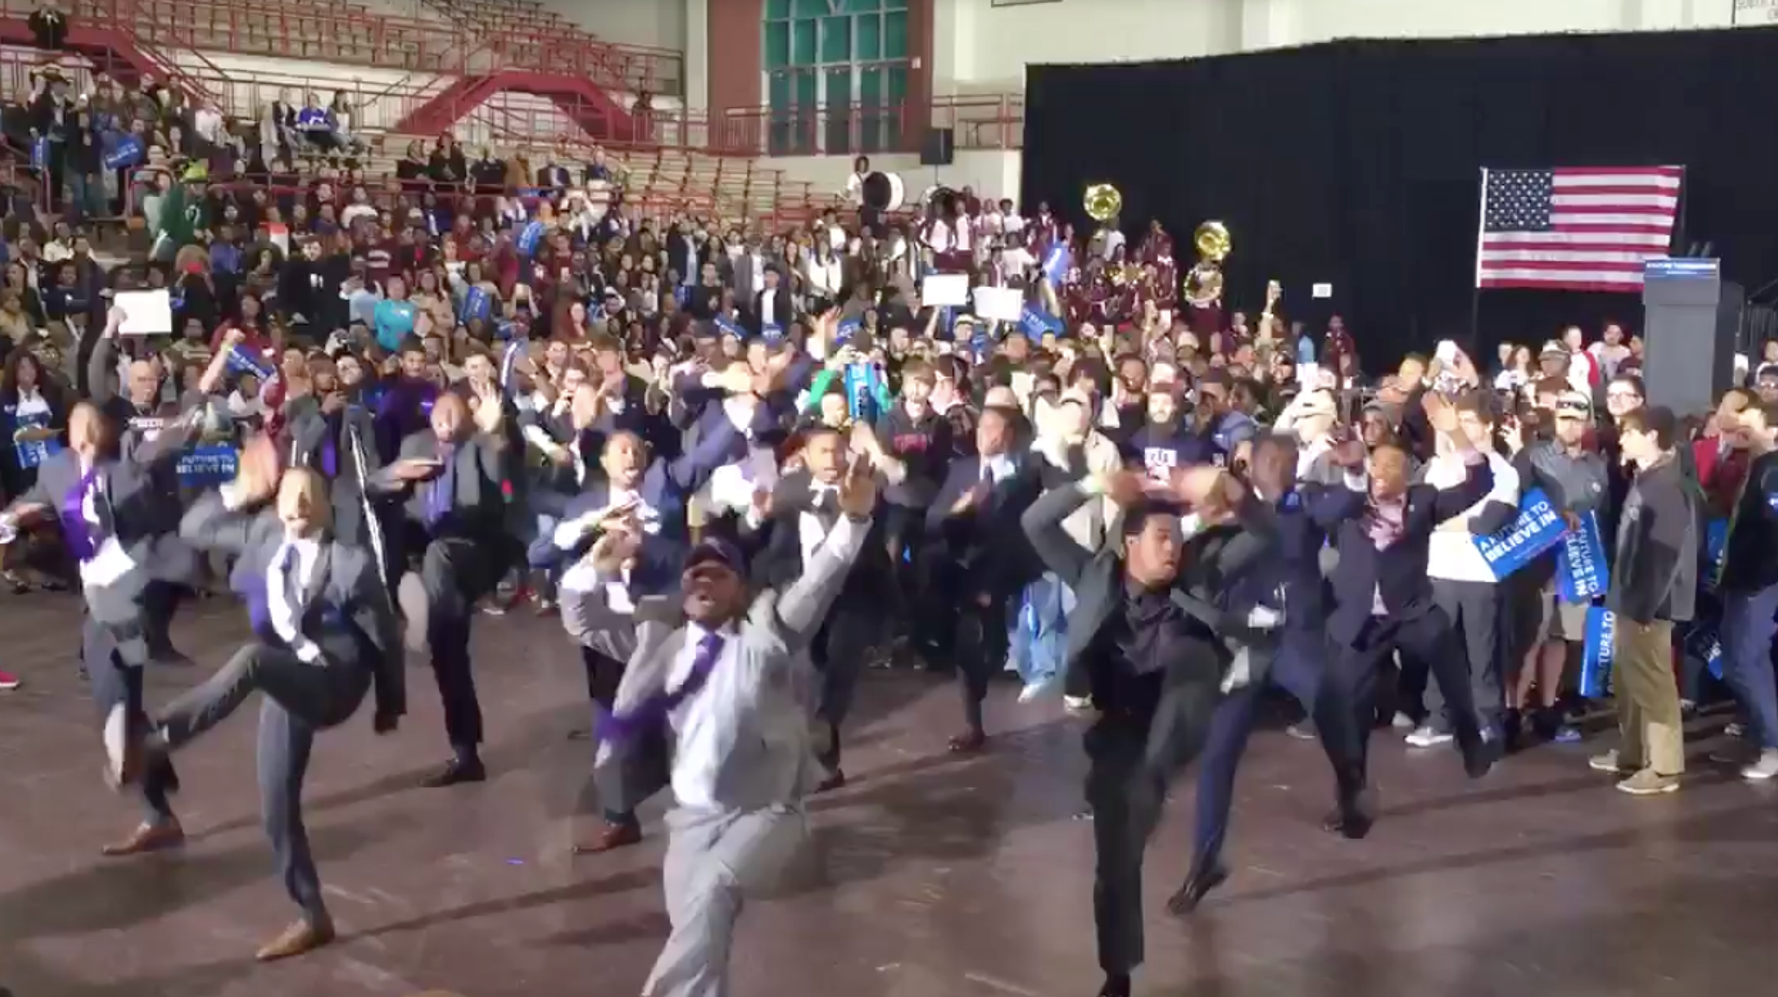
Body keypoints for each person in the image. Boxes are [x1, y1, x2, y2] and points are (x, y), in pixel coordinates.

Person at [592, 451, 879, 997]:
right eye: (694, 572)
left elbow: (820, 581)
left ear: (740, 591)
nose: (703, 579)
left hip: (765, 814)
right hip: (690, 821)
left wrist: (855, 520)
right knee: (699, 937)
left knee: (715, 890)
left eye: (718, 573)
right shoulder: (662, 642)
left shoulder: (767, 635)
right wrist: (595, 569)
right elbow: (583, 615)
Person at [127, 448, 403, 960]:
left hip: (336, 682)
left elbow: (383, 638)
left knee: (253, 658)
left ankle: (157, 741)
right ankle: (312, 915)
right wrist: (240, 491)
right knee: (276, 807)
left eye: (308, 496)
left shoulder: (350, 562)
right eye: (287, 495)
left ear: (324, 506)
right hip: (287, 674)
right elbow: (194, 527)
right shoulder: (263, 536)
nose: (296, 504)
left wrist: (391, 703)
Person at [1021, 462, 1275, 997]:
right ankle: (1117, 973)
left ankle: (1154, 773)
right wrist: (1094, 484)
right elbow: (1035, 524)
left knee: (1190, 660)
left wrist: (1235, 493)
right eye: (1162, 538)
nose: (1172, 549)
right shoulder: (1094, 574)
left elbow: (1265, 534)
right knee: (1117, 863)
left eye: (1179, 539)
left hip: (1183, 708)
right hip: (1119, 731)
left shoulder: (1198, 577)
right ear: (1128, 543)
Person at [0, 399, 203, 854]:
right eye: (79, 427)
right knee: (108, 689)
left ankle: (130, 759)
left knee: (116, 679)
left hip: (142, 582)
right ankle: (157, 805)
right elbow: (30, 503)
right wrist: (12, 519)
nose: (87, 435)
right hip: (96, 591)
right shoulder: (56, 470)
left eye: (95, 428)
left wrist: (191, 416)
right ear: (70, 433)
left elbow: (166, 445)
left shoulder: (129, 461)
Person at [1313, 391, 1499, 839]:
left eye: (1391, 468)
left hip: (1411, 611)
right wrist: (1352, 467)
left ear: (1407, 474)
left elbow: (1480, 483)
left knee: (1444, 643)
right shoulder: (1351, 502)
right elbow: (1323, 512)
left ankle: (1470, 739)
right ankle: (1351, 801)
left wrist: (1454, 431)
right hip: (1362, 622)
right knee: (1350, 717)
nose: (1382, 474)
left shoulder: (1425, 501)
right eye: (1377, 466)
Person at [369, 388, 508, 786]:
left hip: (470, 550)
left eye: (455, 412)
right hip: (430, 561)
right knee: (449, 653)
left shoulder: (481, 443)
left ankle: (419, 623)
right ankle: (466, 754)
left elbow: (497, 492)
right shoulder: (415, 444)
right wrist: (398, 475)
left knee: (439, 556)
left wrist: (493, 435)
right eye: (440, 412)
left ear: (468, 415)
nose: (446, 419)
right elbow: (372, 487)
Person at [1591, 405, 1699, 795]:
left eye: (1630, 432)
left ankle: (1665, 767)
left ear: (1652, 435)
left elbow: (1663, 556)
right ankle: (1633, 752)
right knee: (1629, 677)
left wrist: (1644, 607)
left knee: (1652, 682)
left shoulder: (1667, 486)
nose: (1622, 439)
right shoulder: (1650, 479)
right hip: (1631, 598)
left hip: (1648, 605)